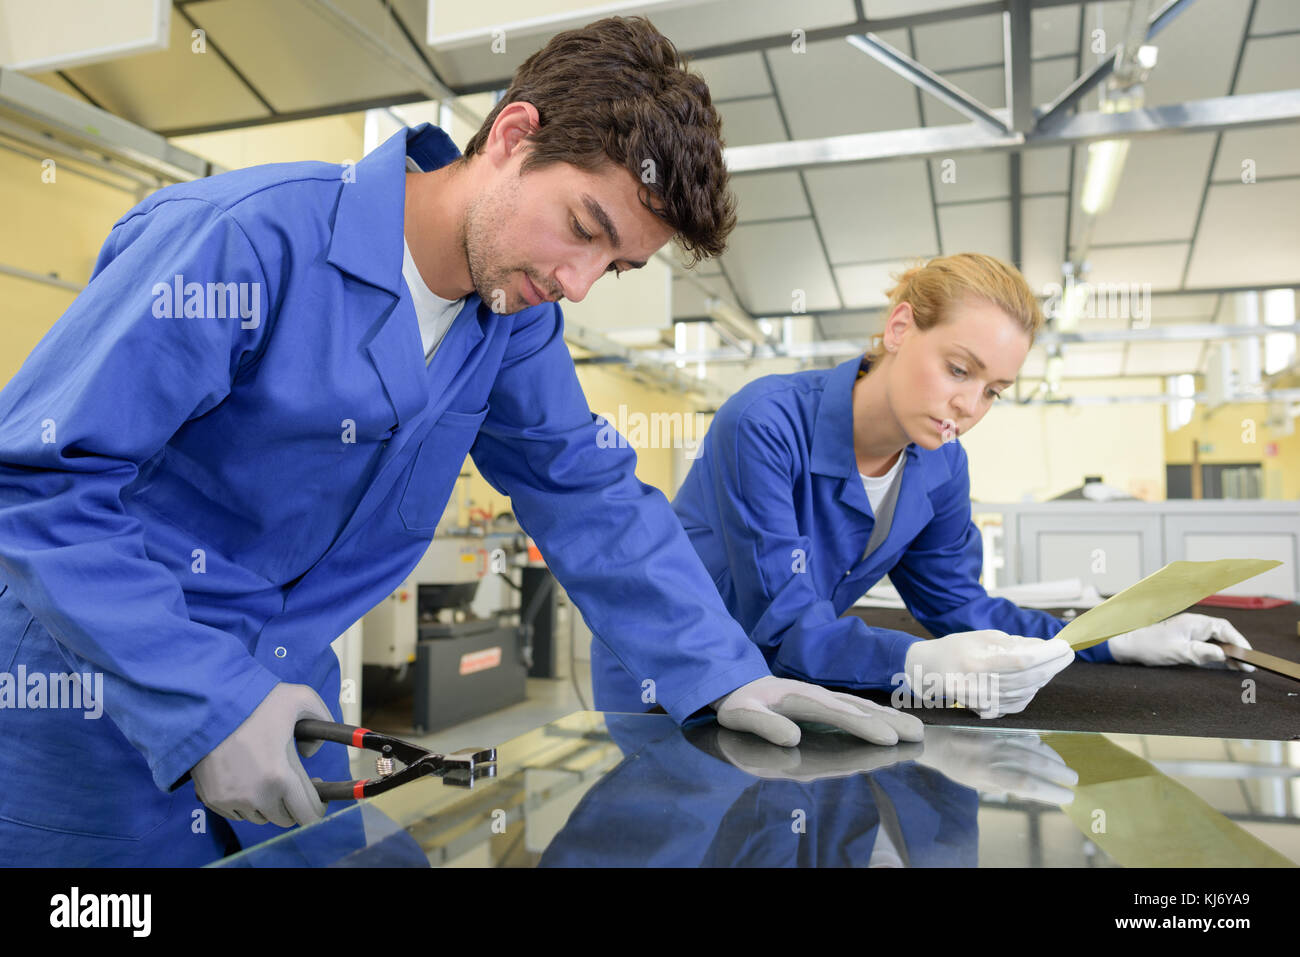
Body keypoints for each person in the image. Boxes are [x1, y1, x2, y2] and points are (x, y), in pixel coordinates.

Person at [0, 16, 921, 868]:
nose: (577, 282)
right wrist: (202, 702)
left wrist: (727, 677)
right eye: (582, 229)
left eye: (617, 265)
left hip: (289, 705)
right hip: (86, 709)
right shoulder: (247, 239)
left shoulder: (508, 323)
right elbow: (39, 479)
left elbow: (586, 491)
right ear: (513, 136)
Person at [606, 253, 1251, 718]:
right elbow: (784, 621)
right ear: (899, 328)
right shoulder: (766, 423)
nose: (971, 404)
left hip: (792, 683)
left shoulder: (941, 464)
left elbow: (959, 607)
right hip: (667, 682)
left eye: (993, 390)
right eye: (959, 369)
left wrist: (1111, 635)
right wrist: (917, 665)